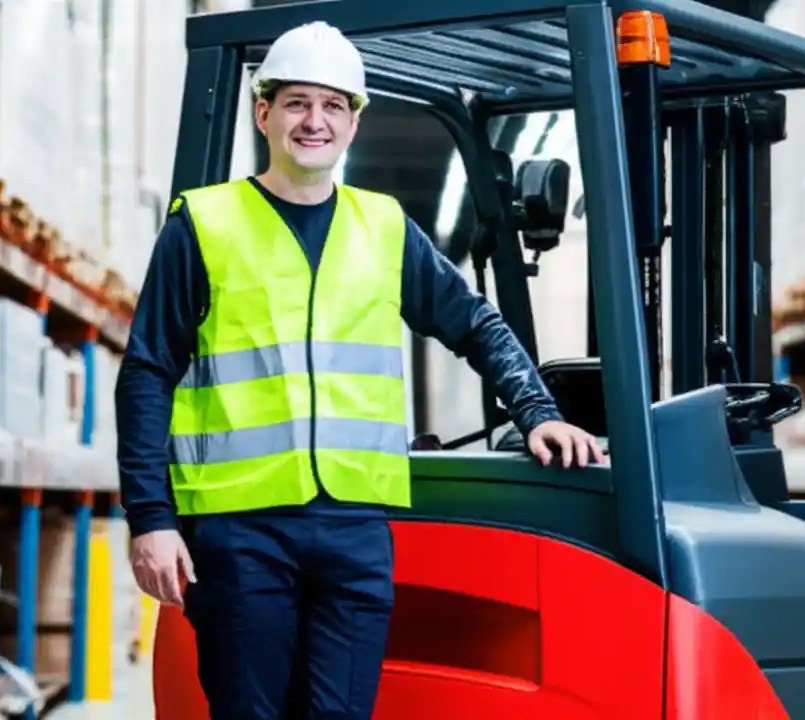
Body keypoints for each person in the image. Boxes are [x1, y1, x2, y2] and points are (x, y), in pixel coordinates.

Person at [114, 19, 604, 720]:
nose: (314, 121)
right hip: (239, 530)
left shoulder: (384, 228)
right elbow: (148, 371)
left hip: (352, 532)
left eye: (333, 105)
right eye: (296, 103)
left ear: (353, 121)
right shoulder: (205, 225)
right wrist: (151, 517)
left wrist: (537, 411)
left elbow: (473, 322)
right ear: (264, 112)